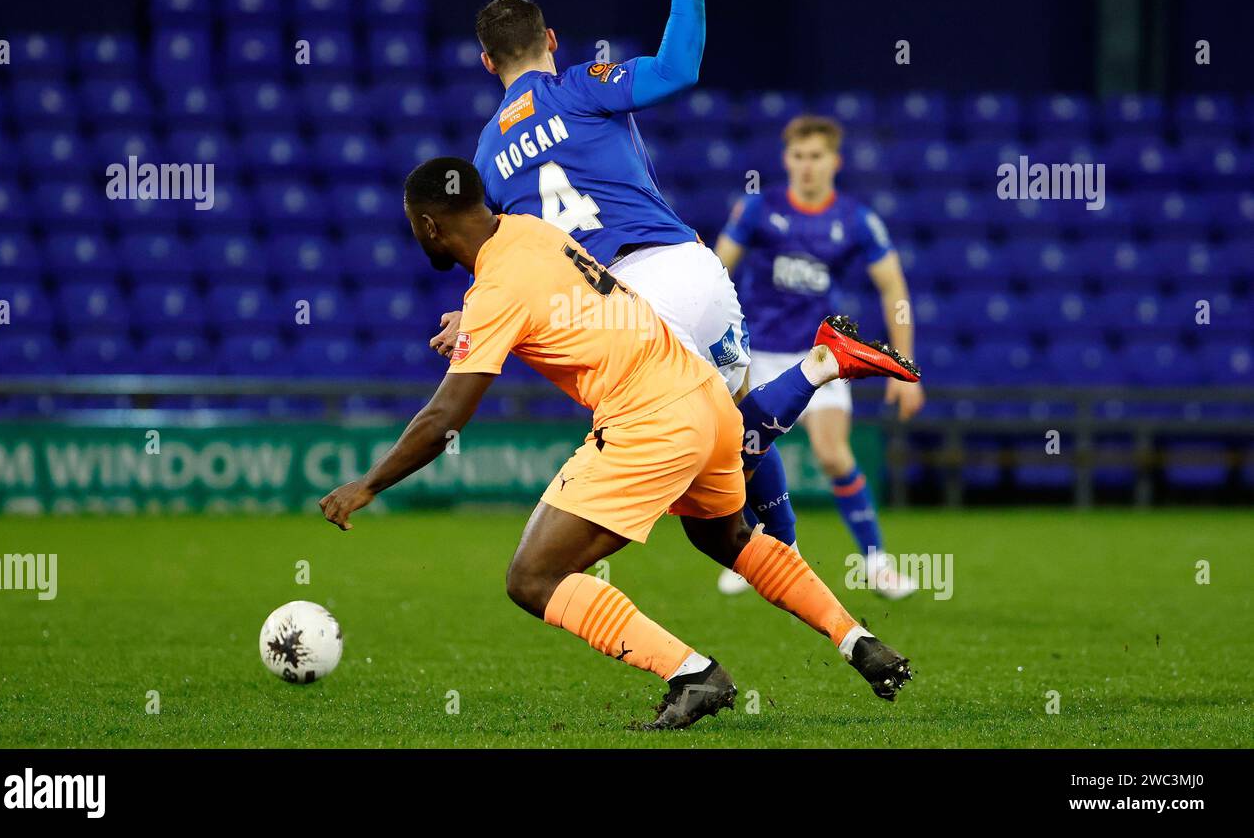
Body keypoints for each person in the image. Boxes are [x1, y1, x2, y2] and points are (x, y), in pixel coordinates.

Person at [319, 157, 912, 730]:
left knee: (532, 578)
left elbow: (448, 413)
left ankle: (693, 675)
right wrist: (469, 317)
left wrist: (367, 484)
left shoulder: (494, 289)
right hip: (705, 396)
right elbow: (546, 297)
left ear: (427, 225)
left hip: (650, 418)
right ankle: (858, 641)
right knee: (725, 536)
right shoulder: (530, 231)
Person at [428, 0, 920, 568]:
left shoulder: (485, 157)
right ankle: (785, 548)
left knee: (681, 449)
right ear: (551, 41)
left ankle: (821, 364)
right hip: (691, 265)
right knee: (738, 418)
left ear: (487, 64)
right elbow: (679, 68)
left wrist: (469, 315)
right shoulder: (583, 84)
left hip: (624, 303)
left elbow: (505, 263)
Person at [715, 116, 925, 598]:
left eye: (816, 157)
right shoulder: (757, 208)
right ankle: (751, 550)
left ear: (835, 162)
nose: (807, 166)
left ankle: (877, 563)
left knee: (832, 453)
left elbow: (894, 286)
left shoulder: (855, 220)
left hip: (820, 355)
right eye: (798, 156)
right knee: (744, 453)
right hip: (756, 353)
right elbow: (717, 269)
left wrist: (905, 362)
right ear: (786, 160)